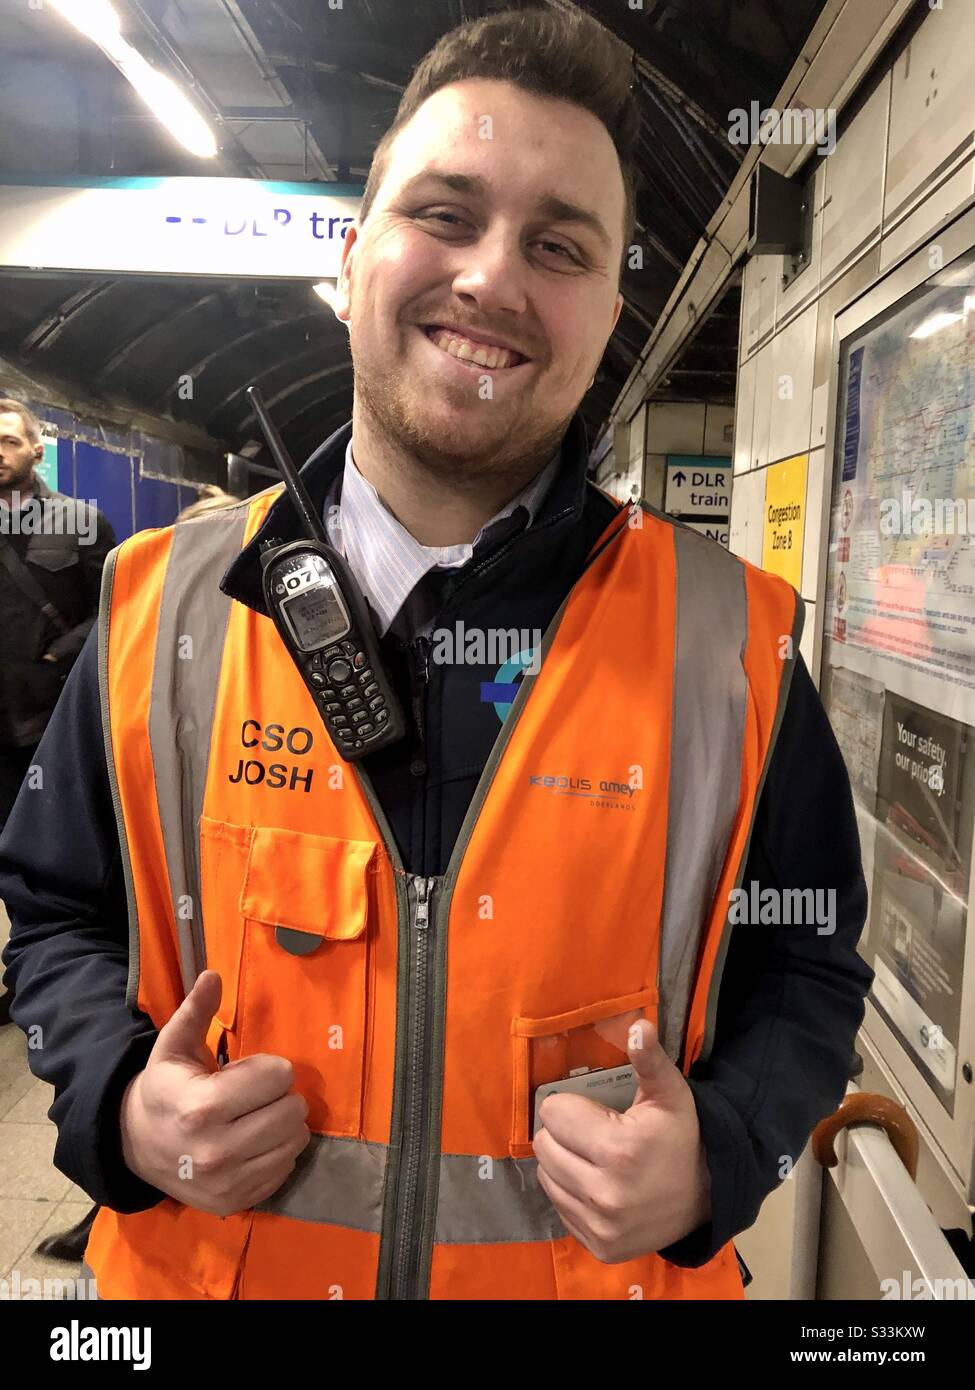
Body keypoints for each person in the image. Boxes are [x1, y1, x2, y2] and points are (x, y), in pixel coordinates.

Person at [0, 7, 873, 1300]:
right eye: (446, 214)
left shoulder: (725, 649)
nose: (490, 278)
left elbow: (805, 957)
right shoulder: (160, 613)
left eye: (557, 244)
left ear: (604, 317)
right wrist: (123, 1104)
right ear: (352, 259)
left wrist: (716, 1152)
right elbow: (57, 912)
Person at [0, 397, 114, 1032]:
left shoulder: (79, 522)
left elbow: (116, 605)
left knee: (53, 859)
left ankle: (48, 977)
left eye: (10, 441)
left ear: (37, 449)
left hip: (53, 725)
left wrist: (58, 653)